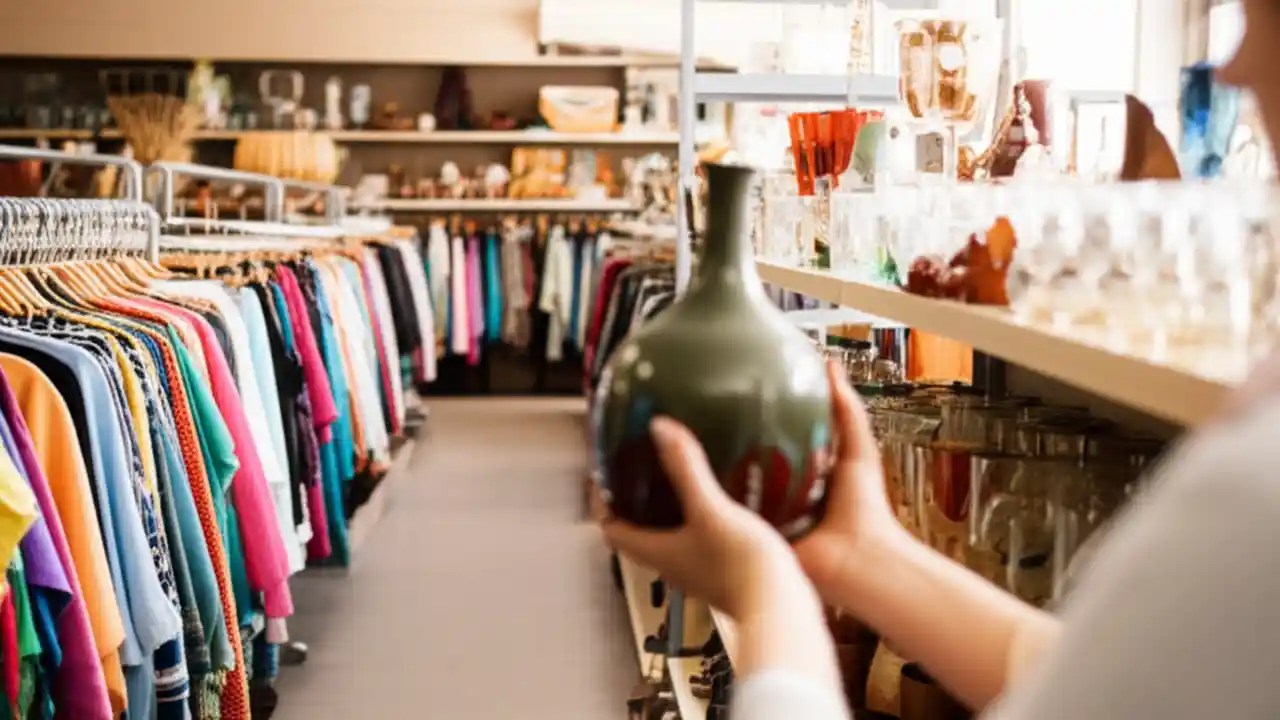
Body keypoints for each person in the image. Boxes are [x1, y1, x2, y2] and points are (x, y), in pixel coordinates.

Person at [599, 2, 1280, 717]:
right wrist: (863, 553)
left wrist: (765, 592)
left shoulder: (1255, 487)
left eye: (1260, 20)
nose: (1232, 67)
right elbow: (1104, 686)